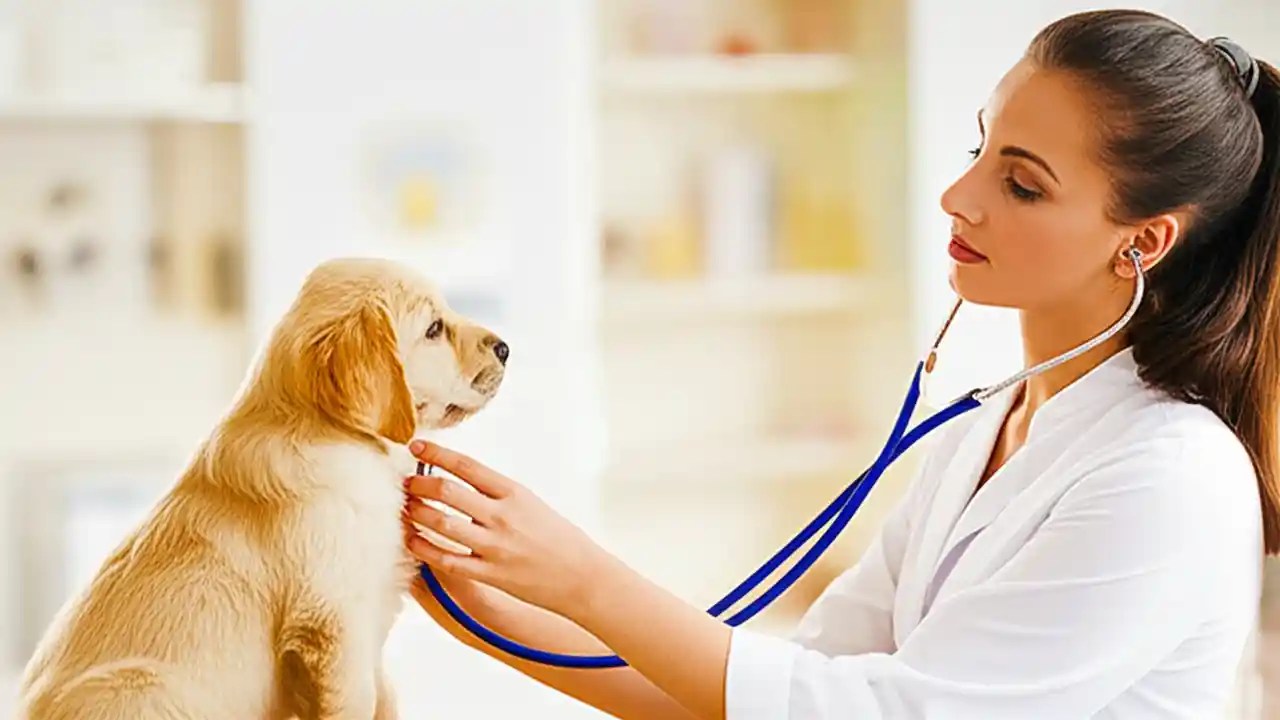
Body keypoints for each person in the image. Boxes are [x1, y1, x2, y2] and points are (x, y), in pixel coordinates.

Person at [399, 9, 1280, 718]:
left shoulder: (1171, 474)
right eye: (979, 150)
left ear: (1144, 242)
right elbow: (786, 689)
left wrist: (580, 577)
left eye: (1021, 184)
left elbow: (878, 712)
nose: (956, 196)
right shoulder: (981, 438)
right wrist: (487, 614)